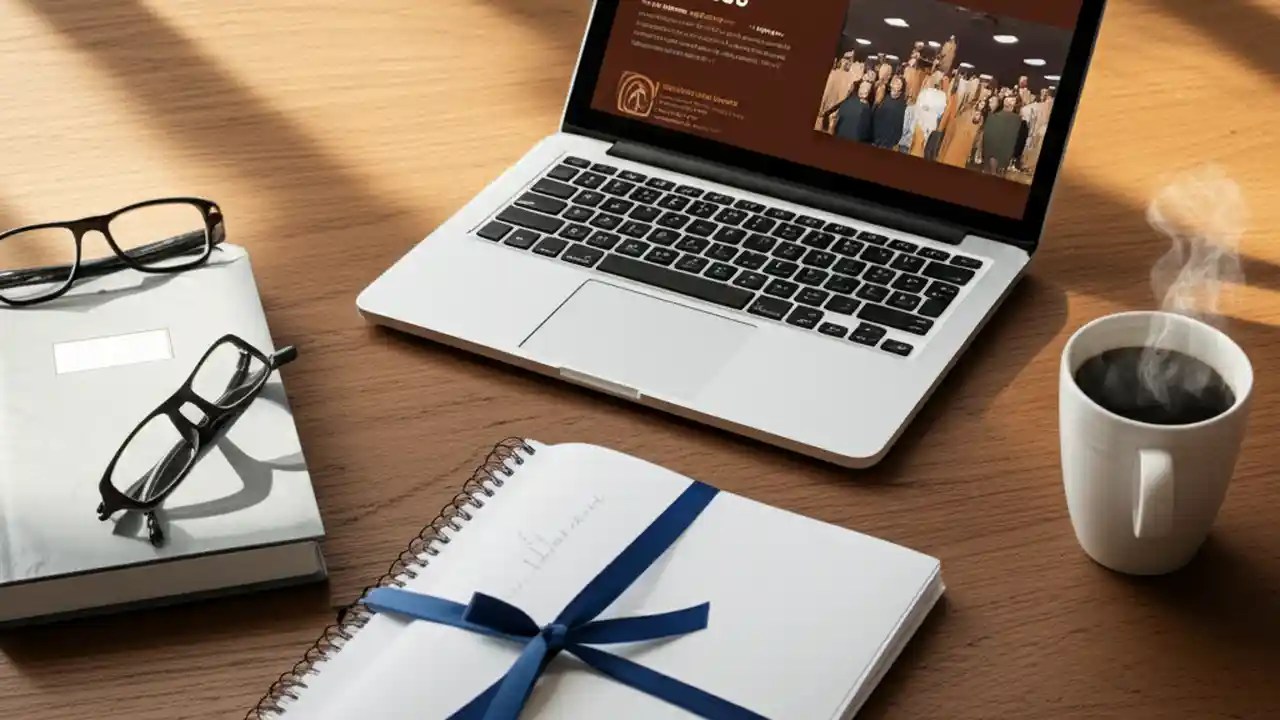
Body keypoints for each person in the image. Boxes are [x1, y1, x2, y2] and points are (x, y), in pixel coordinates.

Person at [982, 95, 1023, 176]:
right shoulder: (994, 116)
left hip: (1006, 150)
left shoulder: (1017, 120)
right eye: (1007, 99)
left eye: (1012, 100)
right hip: (995, 150)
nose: (1008, 101)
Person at [816, 54, 858, 132]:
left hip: (836, 110)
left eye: (850, 61)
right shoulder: (833, 74)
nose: (848, 63)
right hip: (827, 109)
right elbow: (826, 92)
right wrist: (822, 107)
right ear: (842, 60)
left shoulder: (851, 77)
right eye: (847, 60)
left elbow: (848, 94)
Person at [909, 72, 947, 158]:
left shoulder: (942, 95)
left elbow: (941, 111)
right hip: (920, 123)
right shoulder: (925, 92)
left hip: (930, 125)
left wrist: (929, 109)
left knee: (924, 148)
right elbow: (918, 105)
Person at [939, 102, 984, 169]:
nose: (977, 116)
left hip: (962, 154)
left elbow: (975, 142)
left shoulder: (977, 128)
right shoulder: (963, 118)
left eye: (979, 115)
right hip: (952, 150)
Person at [872, 75, 908, 149]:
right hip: (876, 138)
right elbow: (876, 116)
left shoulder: (902, 105)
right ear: (891, 84)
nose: (895, 84)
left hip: (889, 142)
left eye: (898, 83)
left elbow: (900, 124)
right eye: (894, 82)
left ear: (901, 88)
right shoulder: (883, 98)